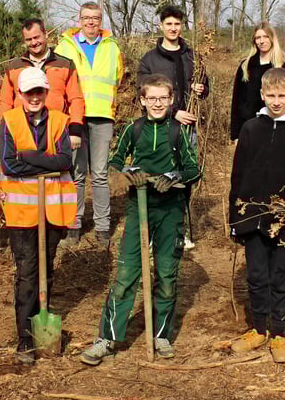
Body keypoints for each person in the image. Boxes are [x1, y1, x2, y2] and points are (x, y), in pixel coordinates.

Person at [80, 74, 200, 365]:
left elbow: (194, 169)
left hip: (170, 210)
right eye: (152, 99)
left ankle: (161, 335)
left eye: (163, 98)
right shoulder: (133, 130)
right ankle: (107, 338)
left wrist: (174, 177)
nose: (157, 104)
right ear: (143, 100)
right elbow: (116, 160)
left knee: (167, 275)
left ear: (171, 101)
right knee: (125, 273)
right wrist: (129, 171)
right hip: (138, 207)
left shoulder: (178, 132)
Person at [228, 68, 285, 360]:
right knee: (256, 274)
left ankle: (279, 333)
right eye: (271, 95)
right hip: (252, 216)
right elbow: (238, 174)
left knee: (279, 273)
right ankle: (259, 329)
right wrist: (236, 218)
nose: (276, 101)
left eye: (282, 95)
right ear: (262, 95)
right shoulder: (251, 129)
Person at [0, 67, 76, 364]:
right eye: (28, 92)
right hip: (21, 213)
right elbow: (8, 165)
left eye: (39, 92)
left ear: (46, 93)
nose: (34, 97)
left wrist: (28, 156)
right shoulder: (10, 121)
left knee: (47, 269)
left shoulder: (59, 120)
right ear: (20, 95)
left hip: (53, 208)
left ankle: (43, 320)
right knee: (28, 273)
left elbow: (66, 160)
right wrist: (47, 162)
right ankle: (24, 338)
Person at [136, 5, 210, 250]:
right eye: (168, 24)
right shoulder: (150, 59)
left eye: (177, 24)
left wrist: (200, 89)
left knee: (184, 177)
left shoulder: (192, 56)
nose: (173, 28)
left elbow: (204, 86)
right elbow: (142, 95)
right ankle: (154, 232)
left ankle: (179, 230)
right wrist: (173, 111)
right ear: (161, 26)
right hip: (160, 127)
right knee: (159, 175)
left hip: (188, 129)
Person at [55, 3, 124, 248]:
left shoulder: (112, 47)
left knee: (101, 174)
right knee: (76, 173)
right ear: (79, 19)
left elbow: (118, 77)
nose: (91, 22)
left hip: (103, 116)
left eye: (95, 18)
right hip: (74, 118)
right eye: (86, 18)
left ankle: (103, 228)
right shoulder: (64, 46)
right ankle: (74, 226)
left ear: (101, 20)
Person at [0, 18, 85, 147]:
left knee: (56, 166)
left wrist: (75, 129)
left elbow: (76, 98)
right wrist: (6, 128)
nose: (34, 42)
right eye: (29, 39)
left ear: (46, 35)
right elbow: (5, 100)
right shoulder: (14, 66)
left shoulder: (65, 64)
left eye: (36, 37)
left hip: (56, 130)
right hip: (21, 130)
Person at [229, 24, 285, 141]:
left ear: (272, 38)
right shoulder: (246, 66)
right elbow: (237, 101)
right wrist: (236, 134)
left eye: (265, 36)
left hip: (280, 129)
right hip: (250, 129)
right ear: (254, 41)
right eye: (258, 38)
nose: (262, 41)